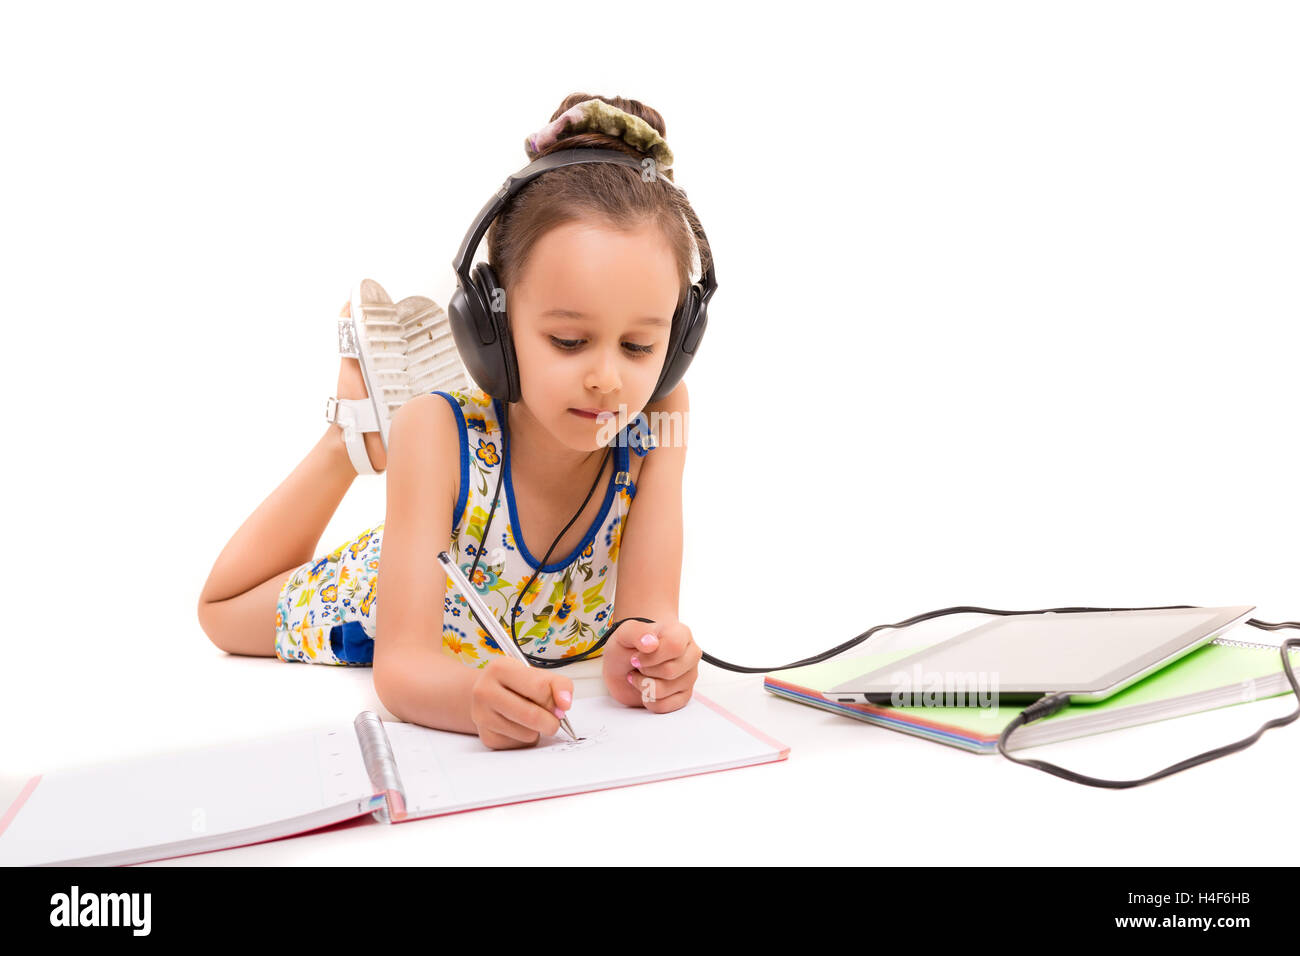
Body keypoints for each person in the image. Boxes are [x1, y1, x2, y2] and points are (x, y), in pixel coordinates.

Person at [197, 93, 708, 750]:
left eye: (639, 348)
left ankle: (375, 432)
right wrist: (471, 699)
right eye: (569, 342)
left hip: (527, 619)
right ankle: (351, 440)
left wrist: (650, 657)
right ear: (489, 328)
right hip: (395, 591)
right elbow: (404, 668)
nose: (609, 379)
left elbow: (645, 615)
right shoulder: (434, 432)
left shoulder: (660, 416)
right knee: (220, 616)